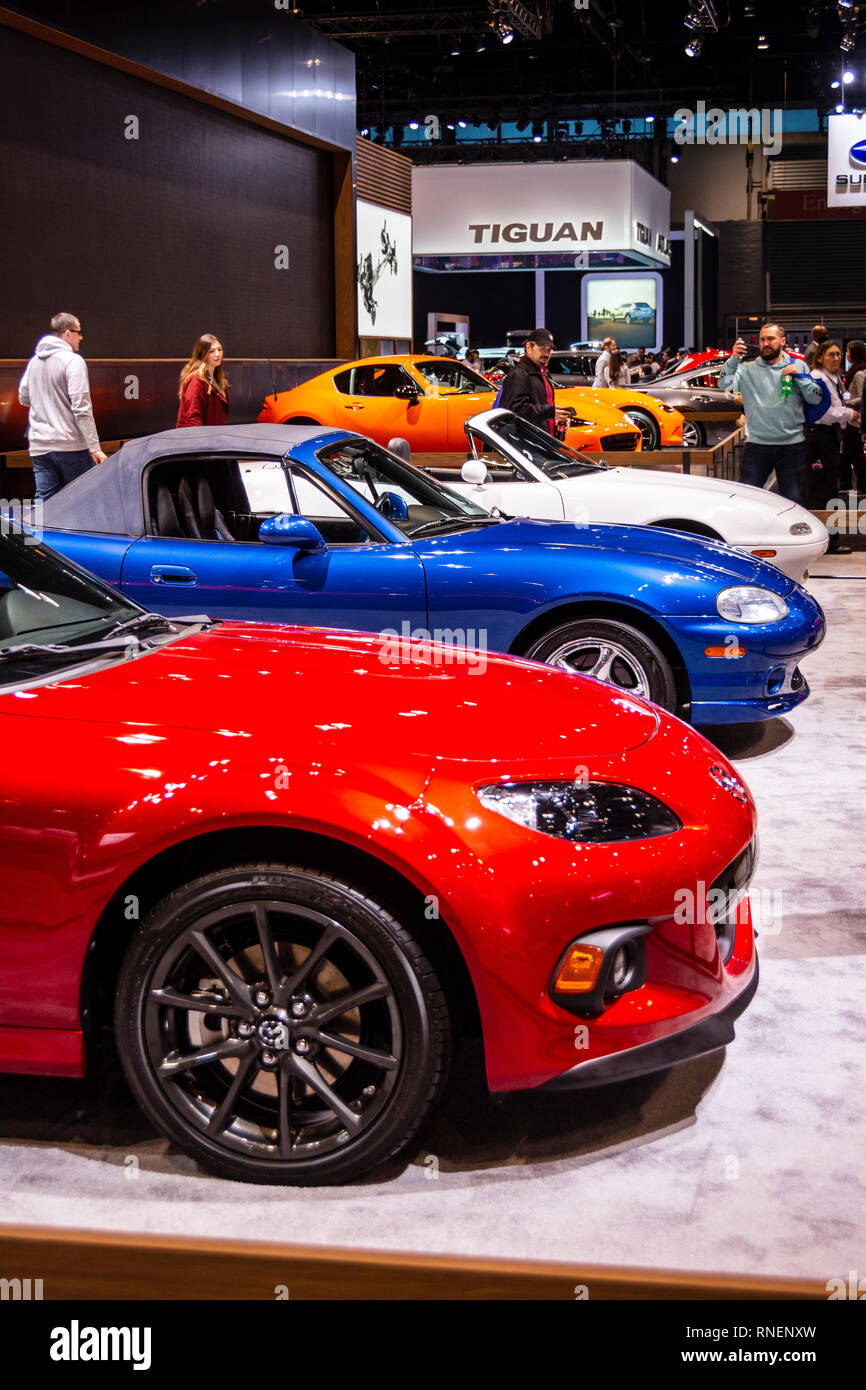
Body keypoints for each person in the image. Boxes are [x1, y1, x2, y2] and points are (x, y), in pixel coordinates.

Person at [718, 322, 823, 505]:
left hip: (792, 446)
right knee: (748, 502)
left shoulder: (798, 365)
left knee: (793, 501)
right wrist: (734, 359)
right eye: (762, 339)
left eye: (771, 339)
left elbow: (815, 398)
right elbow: (724, 384)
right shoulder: (747, 369)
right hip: (757, 446)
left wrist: (799, 377)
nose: (766, 343)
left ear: (782, 341)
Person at [17, 311, 107, 502]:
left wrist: (46, 403)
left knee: (46, 501)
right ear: (67, 333)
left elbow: (23, 397)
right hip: (70, 445)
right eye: (78, 332)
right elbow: (81, 407)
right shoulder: (73, 361)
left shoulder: (34, 362)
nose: (80, 337)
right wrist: (95, 448)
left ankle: (39, 533)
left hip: (39, 445)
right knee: (83, 500)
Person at [806, 340, 858, 553]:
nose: (836, 358)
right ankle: (825, 542)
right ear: (819, 358)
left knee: (830, 488)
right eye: (831, 355)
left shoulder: (834, 378)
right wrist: (850, 414)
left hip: (831, 437)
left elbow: (838, 404)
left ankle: (831, 540)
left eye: (838, 354)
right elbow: (825, 412)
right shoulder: (818, 379)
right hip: (818, 439)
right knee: (820, 489)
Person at [497, 328, 572, 437]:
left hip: (540, 441)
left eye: (549, 350)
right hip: (526, 444)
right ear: (528, 347)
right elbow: (515, 409)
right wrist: (549, 412)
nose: (546, 354)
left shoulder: (541, 373)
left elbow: (540, 409)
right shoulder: (520, 374)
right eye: (542, 349)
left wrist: (556, 420)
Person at [177, 334, 229, 427]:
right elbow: (193, 419)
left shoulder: (216, 379)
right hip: (197, 438)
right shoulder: (196, 379)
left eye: (219, 349)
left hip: (213, 436)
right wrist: (202, 440)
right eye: (211, 351)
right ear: (202, 354)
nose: (217, 354)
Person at [842, 339, 866, 493]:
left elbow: (863, 397)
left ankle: (863, 485)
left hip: (856, 420)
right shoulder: (854, 371)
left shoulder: (858, 374)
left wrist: (846, 403)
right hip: (853, 419)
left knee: (856, 454)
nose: (846, 355)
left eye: (848, 352)